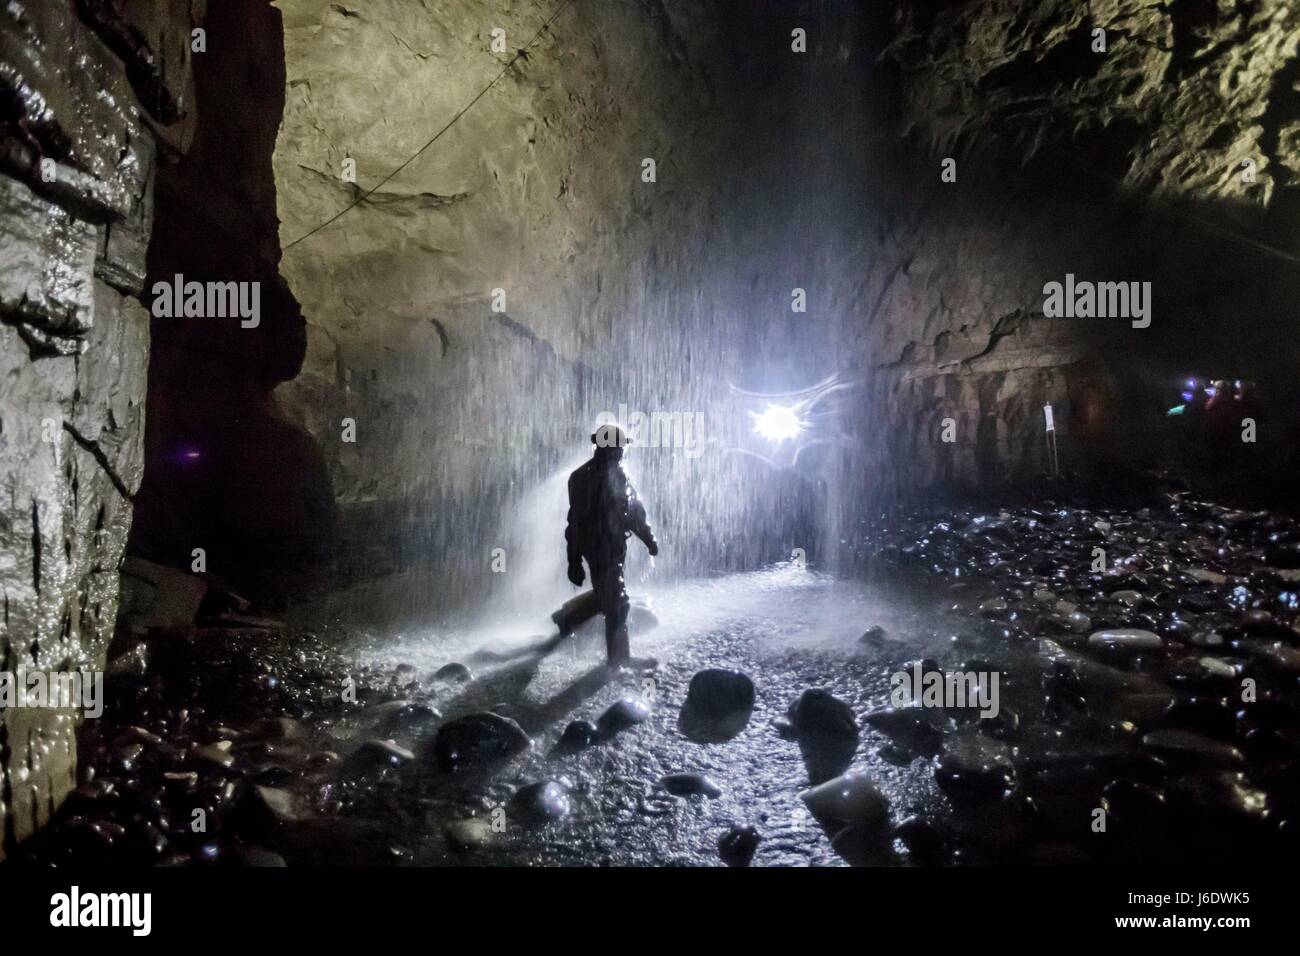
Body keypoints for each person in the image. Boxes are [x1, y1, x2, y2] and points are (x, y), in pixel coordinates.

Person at [564, 424, 659, 666]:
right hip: (598, 549)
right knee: (617, 603)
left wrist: (648, 538)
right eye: (619, 447)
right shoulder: (583, 478)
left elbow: (634, 511)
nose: (622, 451)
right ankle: (619, 662)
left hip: (613, 547)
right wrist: (574, 561)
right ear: (609, 448)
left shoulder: (618, 474)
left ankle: (565, 619)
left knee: (605, 595)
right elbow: (575, 523)